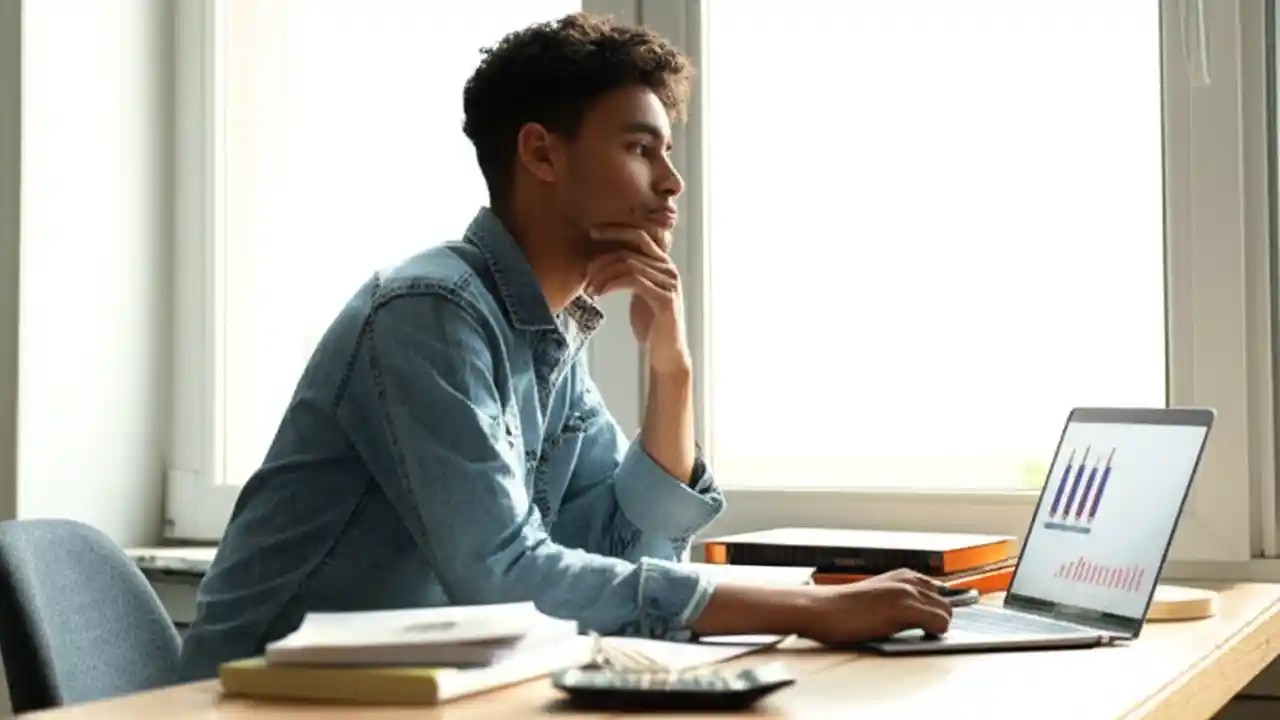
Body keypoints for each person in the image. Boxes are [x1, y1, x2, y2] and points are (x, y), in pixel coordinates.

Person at [176, 11, 951, 681]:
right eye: (642, 149)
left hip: (420, 693)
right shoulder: (430, 312)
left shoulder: (547, 336)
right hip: (252, 701)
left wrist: (670, 372)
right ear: (542, 154)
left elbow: (628, 548)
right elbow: (505, 576)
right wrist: (811, 609)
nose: (672, 182)